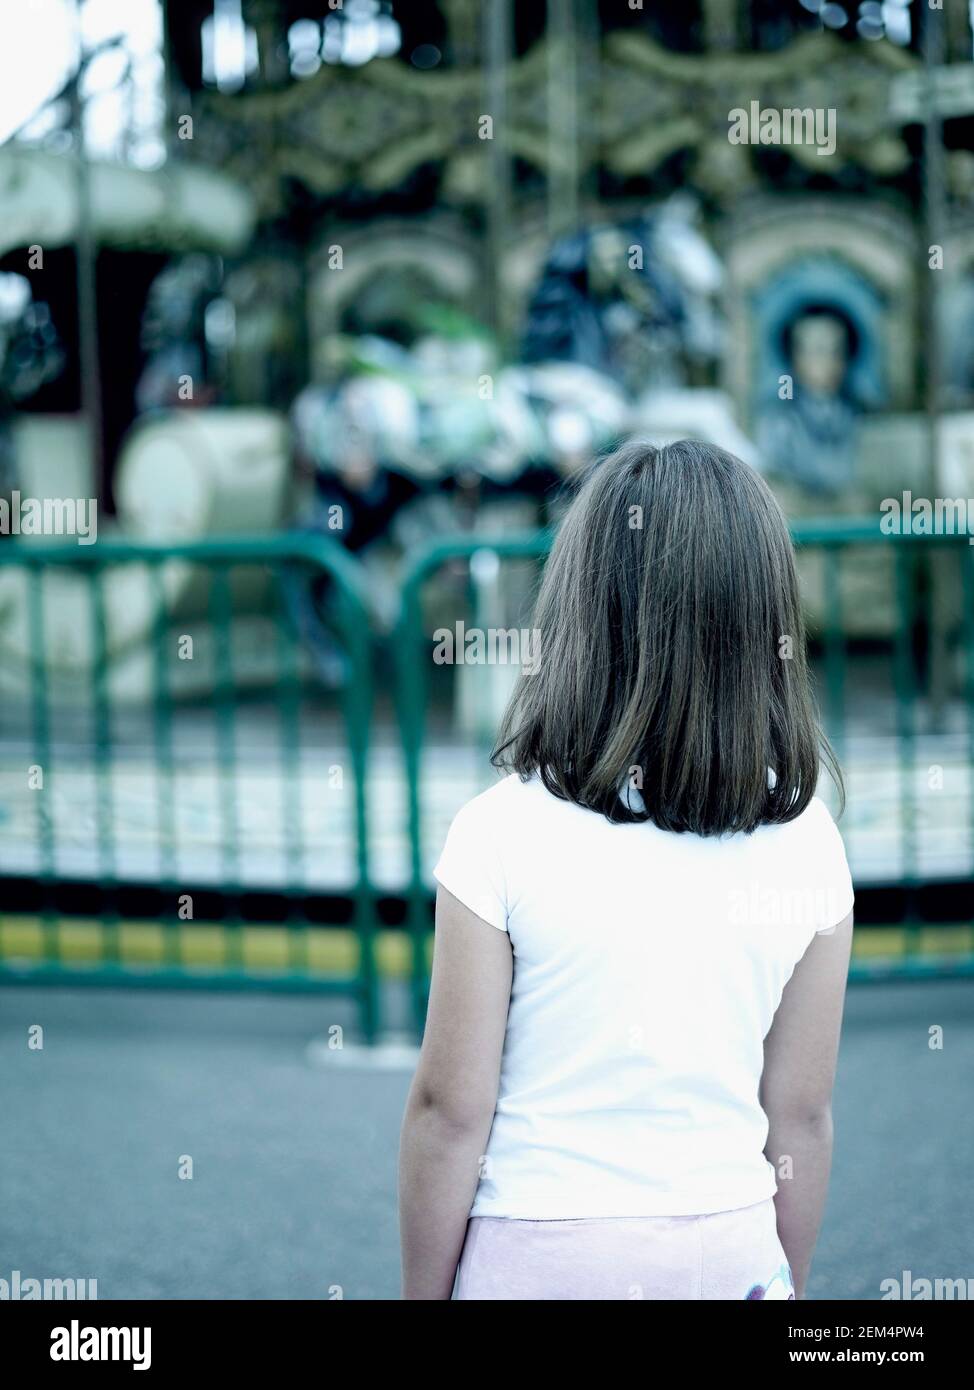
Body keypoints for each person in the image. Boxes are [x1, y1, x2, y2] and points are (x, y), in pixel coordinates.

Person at [398, 439, 855, 1301]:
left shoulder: (500, 834)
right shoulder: (808, 843)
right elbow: (801, 1117)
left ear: (577, 611)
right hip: (730, 1248)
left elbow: (448, 1113)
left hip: (535, 1259)